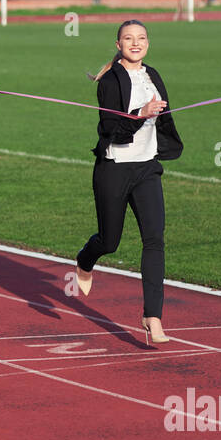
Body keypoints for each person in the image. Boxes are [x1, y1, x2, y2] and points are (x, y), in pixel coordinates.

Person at [74, 20, 183, 344]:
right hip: (114, 168)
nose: (136, 43)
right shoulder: (109, 80)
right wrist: (142, 113)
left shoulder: (153, 75)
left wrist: (158, 118)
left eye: (141, 38)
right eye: (128, 38)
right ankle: (85, 259)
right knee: (110, 242)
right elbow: (111, 130)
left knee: (154, 239)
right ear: (118, 43)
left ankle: (153, 317)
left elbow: (163, 118)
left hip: (146, 169)